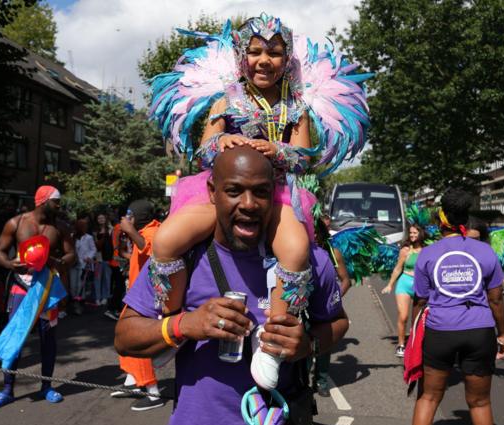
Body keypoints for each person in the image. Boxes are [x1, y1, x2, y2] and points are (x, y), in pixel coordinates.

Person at [148, 13, 369, 392]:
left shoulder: (296, 107)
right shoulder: (225, 98)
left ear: (287, 60)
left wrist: (277, 151)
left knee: (297, 248)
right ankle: (171, 320)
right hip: (223, 196)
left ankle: (272, 343)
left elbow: (305, 157)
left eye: (275, 52)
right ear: (241, 56)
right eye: (255, 51)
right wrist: (223, 144)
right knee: (167, 240)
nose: (264, 60)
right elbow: (203, 150)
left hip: (278, 196)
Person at [115, 148, 349, 425]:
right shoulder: (182, 256)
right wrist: (185, 324)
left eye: (261, 192)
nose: (248, 204)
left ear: (274, 193)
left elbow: (338, 322)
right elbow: (124, 337)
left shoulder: (310, 261)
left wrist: (308, 344)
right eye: (234, 191)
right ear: (212, 192)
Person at [410, 188, 504, 425]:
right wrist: (502, 334)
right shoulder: (485, 252)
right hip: (479, 331)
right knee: (480, 401)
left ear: (441, 218)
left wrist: (412, 336)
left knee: (429, 397)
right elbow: (496, 299)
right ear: (466, 219)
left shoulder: (427, 255)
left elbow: (420, 301)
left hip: (440, 330)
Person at [0, 185, 76, 409]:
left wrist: (60, 262)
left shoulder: (61, 227)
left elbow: (71, 255)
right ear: (43, 201)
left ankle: (46, 386)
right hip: (20, 288)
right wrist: (9, 263)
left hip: (47, 289)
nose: (59, 205)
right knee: (16, 337)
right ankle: (7, 389)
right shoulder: (16, 223)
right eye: (56, 201)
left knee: (48, 339)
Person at [110, 200, 167, 411]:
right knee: (125, 337)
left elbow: (150, 250)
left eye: (130, 215)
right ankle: (133, 382)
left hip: (146, 300)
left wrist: (130, 231)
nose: (127, 219)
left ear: (139, 217)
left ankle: (153, 394)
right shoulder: (145, 229)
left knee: (137, 341)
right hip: (137, 295)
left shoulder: (152, 232)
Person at [312, 214, 351, 397]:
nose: (313, 235)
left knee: (323, 343)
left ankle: (321, 379)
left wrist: (334, 299)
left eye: (316, 231)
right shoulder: (298, 248)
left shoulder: (332, 252)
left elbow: (345, 280)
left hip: (326, 307)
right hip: (304, 305)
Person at [382, 223, 426, 357]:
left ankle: (416, 344)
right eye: (411, 233)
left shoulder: (427, 250)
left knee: (418, 319)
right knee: (403, 316)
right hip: (404, 284)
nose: (412, 235)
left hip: (420, 285)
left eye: (415, 233)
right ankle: (401, 344)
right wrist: (390, 284)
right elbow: (398, 268)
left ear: (421, 233)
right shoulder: (405, 250)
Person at [105, 209, 131, 321]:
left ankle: (115, 308)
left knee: (119, 286)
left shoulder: (116, 228)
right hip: (119, 261)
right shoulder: (120, 228)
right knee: (120, 286)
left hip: (117, 260)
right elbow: (119, 246)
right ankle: (112, 309)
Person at [71, 216, 96, 305]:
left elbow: (93, 249)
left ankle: (80, 302)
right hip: (74, 264)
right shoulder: (72, 237)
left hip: (84, 264)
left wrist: (89, 257)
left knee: (81, 284)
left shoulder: (89, 238)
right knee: (73, 284)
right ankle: (74, 300)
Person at [94, 212, 114, 306]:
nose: (101, 220)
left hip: (107, 256)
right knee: (97, 278)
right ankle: (98, 298)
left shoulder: (110, 229)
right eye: (99, 218)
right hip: (98, 257)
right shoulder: (95, 230)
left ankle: (105, 297)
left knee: (107, 278)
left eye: (102, 218)